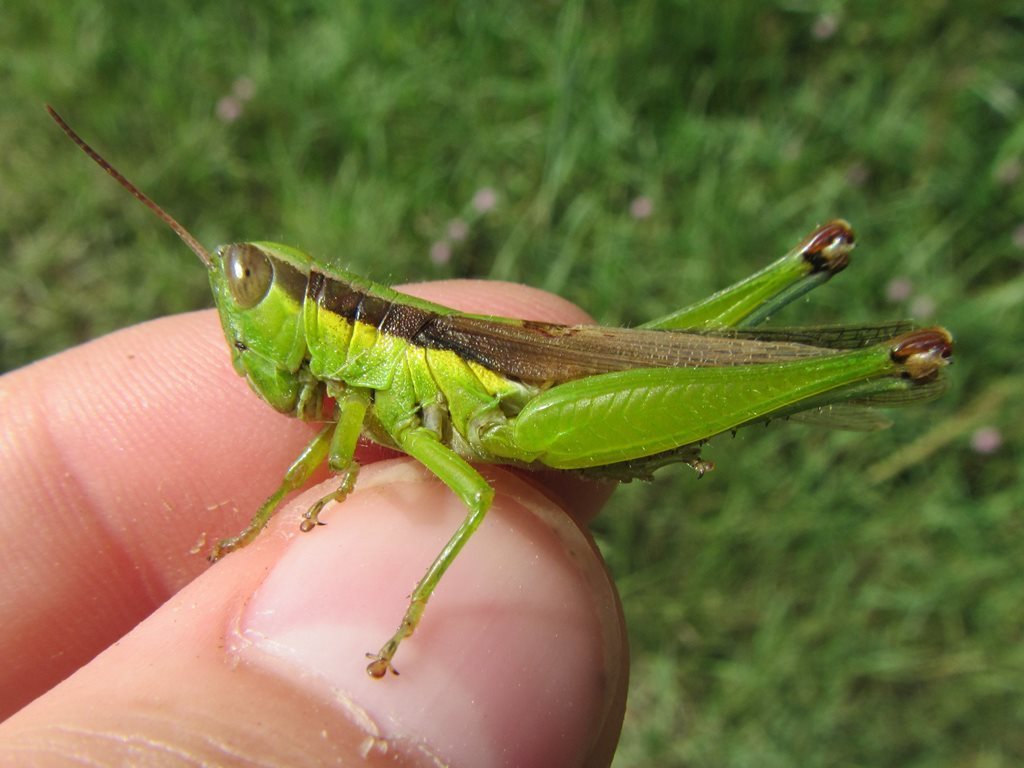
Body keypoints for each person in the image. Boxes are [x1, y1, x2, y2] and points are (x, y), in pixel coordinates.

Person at [0, 280, 628, 766]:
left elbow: (476, 497)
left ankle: (415, 616)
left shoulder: (383, 369)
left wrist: (406, 619)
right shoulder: (361, 394)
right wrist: (259, 524)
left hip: (544, 405)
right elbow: (340, 423)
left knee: (476, 497)